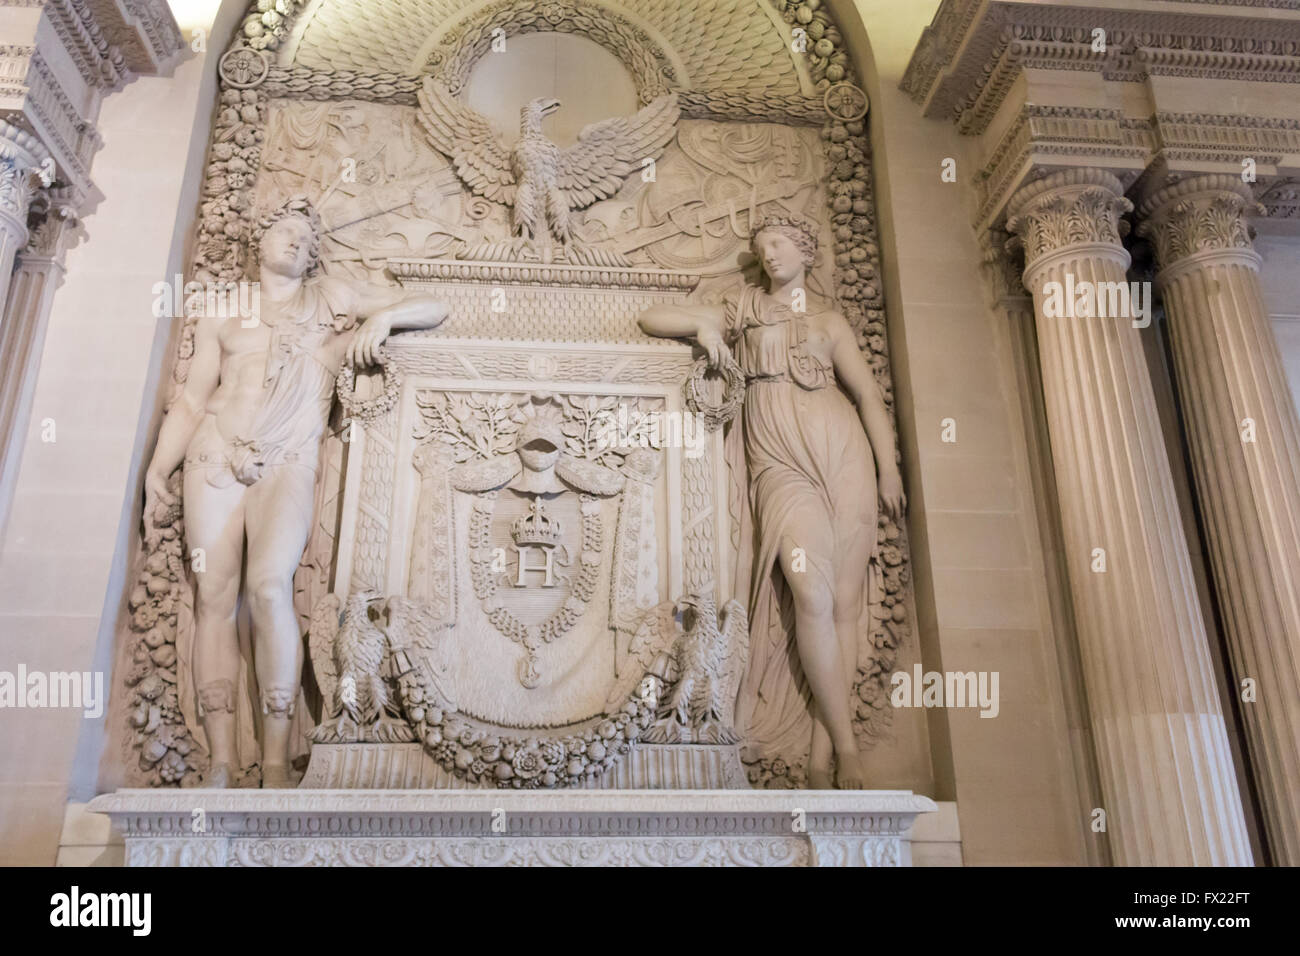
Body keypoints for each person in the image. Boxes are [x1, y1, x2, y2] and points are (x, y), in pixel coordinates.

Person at [143, 196, 449, 787]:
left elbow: (434, 306)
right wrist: (159, 469)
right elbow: (191, 400)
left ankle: (278, 759)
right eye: (286, 232)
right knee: (213, 593)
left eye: (308, 241)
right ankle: (223, 760)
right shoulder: (224, 310)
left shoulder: (331, 299)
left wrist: (383, 319)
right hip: (213, 455)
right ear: (259, 241)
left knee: (267, 586)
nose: (297, 244)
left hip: (287, 458)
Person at [638, 211, 905, 788]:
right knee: (810, 592)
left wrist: (888, 472)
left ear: (807, 251)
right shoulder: (744, 311)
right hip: (779, 465)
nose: (770, 255)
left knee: (844, 604)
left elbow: (868, 400)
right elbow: (651, 316)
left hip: (844, 458)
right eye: (761, 249)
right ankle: (848, 747)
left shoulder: (831, 324)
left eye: (780, 243)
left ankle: (822, 752)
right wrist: (705, 329)